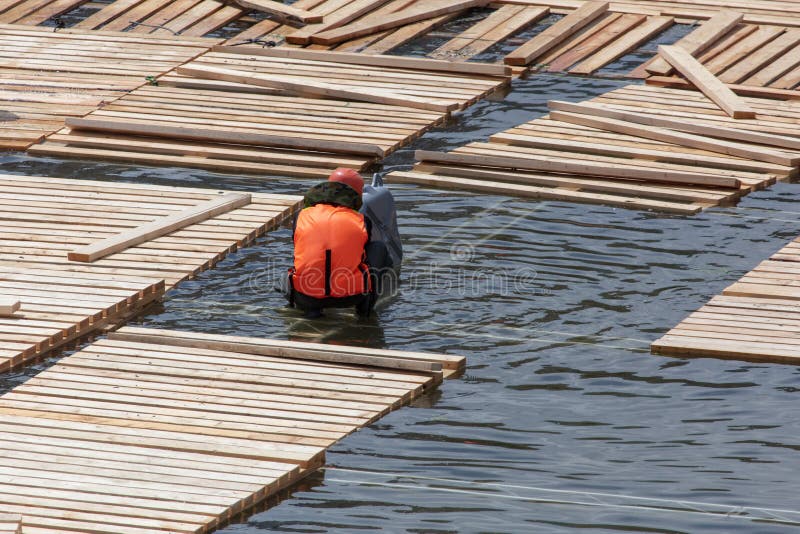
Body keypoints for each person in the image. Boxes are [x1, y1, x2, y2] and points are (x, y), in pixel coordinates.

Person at [286, 168, 393, 318]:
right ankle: (364, 310)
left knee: (298, 259)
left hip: (305, 295)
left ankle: (312, 311)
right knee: (379, 248)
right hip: (350, 296)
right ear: (357, 195)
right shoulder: (362, 221)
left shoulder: (301, 216)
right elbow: (362, 256)